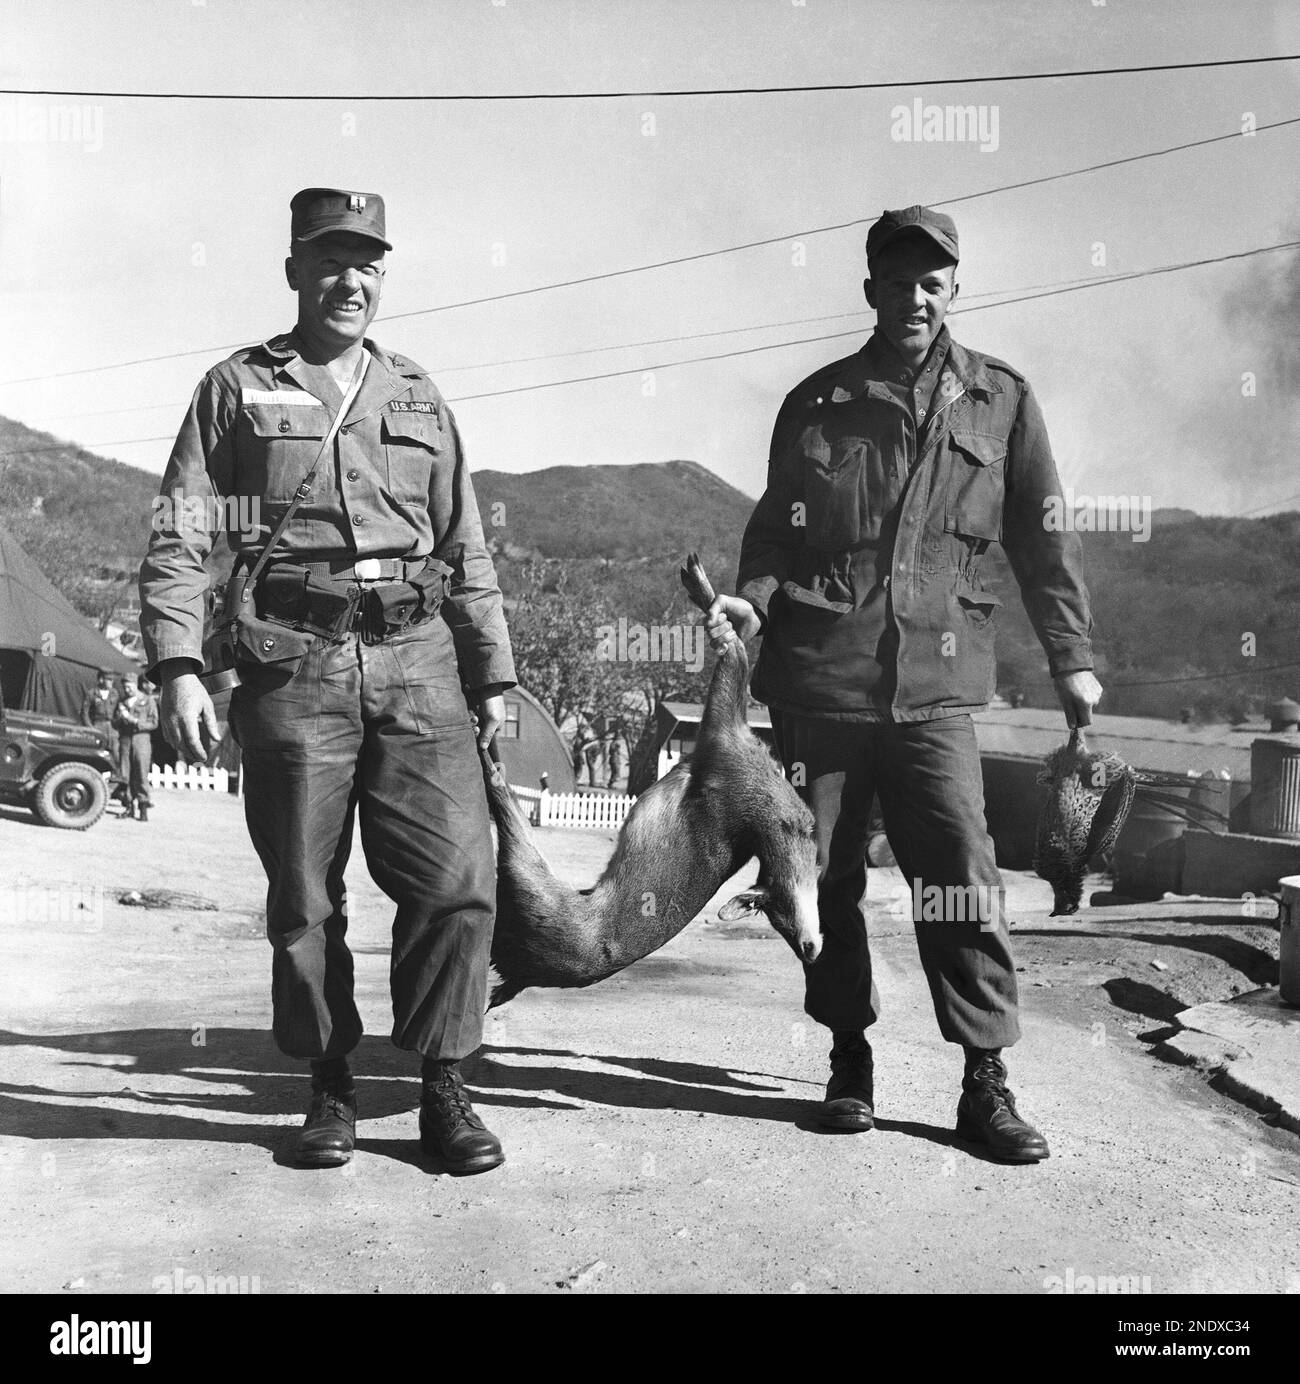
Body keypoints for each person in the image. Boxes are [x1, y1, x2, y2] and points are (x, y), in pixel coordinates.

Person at [707, 205, 1101, 1163]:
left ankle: (985, 1082)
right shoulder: (820, 401)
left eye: (935, 281)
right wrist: (751, 601)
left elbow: (1042, 540)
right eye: (900, 279)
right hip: (823, 681)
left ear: (954, 289)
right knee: (826, 881)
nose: (916, 297)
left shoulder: (999, 400)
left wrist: (1072, 658)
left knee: (961, 880)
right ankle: (849, 1060)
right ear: (871, 286)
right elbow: (775, 533)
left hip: (940, 688)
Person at [138, 188, 516, 1174]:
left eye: (369, 264)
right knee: (304, 895)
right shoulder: (235, 386)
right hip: (292, 661)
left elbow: (464, 541)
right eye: (331, 261)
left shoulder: (420, 395)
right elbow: (183, 527)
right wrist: (179, 662)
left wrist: (493, 674)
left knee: (455, 880)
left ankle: (446, 1084)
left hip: (417, 657)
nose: (351, 281)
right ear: (296, 269)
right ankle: (329, 1081)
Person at [112, 675, 159, 820]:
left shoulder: (147, 700)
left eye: (129, 686)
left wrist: (136, 721)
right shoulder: (122, 702)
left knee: (141, 774)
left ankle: (143, 808)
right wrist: (120, 718)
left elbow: (154, 723)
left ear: (135, 685)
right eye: (125, 687)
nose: (127, 690)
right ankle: (128, 808)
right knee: (125, 775)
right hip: (125, 741)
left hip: (141, 740)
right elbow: (114, 723)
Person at [81, 668, 121, 790]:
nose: (111, 682)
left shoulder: (115, 693)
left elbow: (119, 710)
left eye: (112, 680)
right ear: (101, 679)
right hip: (97, 726)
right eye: (108, 679)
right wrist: (91, 729)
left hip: (112, 728)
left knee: (116, 755)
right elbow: (84, 713)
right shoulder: (92, 693)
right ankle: (93, 784)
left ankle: (114, 785)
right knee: (97, 754)